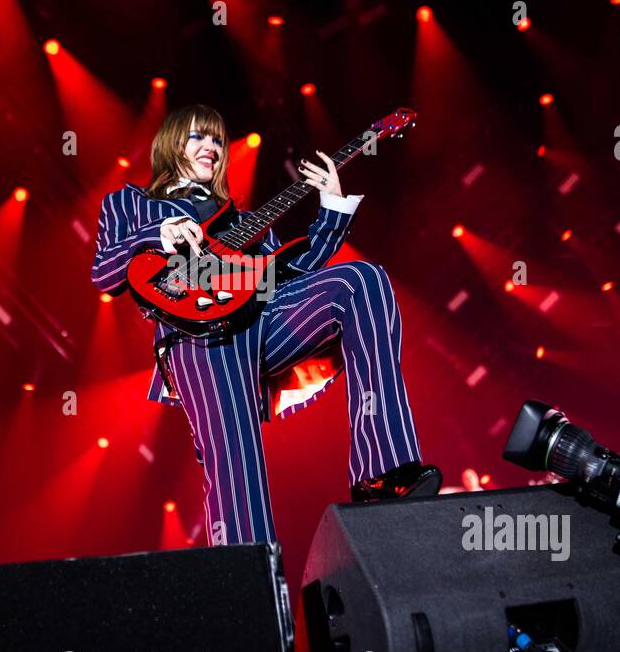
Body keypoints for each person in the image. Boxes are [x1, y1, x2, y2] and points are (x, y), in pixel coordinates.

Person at [91, 104, 439, 546]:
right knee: (235, 461)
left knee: (361, 282)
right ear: (171, 144)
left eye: (218, 140)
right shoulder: (130, 203)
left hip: (262, 317)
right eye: (199, 137)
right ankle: (251, 579)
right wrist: (159, 233)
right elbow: (105, 273)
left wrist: (332, 206)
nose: (212, 147)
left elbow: (292, 274)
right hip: (199, 338)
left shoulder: (241, 221)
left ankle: (384, 474)